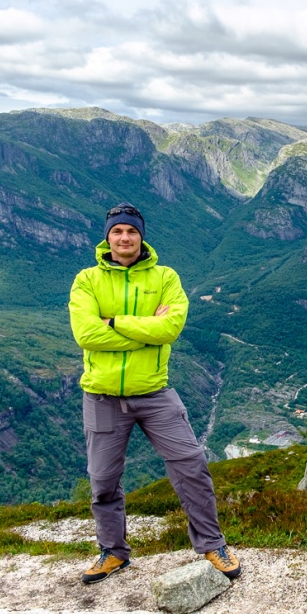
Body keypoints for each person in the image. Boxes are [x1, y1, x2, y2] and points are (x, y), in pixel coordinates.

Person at [69, 202, 240, 584]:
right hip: (102, 396)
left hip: (154, 392)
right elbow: (85, 334)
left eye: (131, 231)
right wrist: (145, 328)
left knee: (191, 464)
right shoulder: (86, 280)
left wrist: (113, 323)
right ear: (107, 237)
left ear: (141, 236)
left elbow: (170, 329)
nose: (125, 238)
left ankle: (212, 544)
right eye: (117, 231)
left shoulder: (165, 277)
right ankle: (113, 552)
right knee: (102, 480)